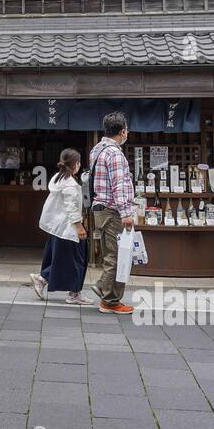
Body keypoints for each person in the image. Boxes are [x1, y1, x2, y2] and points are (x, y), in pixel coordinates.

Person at [87, 111, 137, 315]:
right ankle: (109, 298)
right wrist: (126, 212)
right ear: (123, 131)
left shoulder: (97, 150)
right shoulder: (115, 153)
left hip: (100, 207)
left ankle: (105, 290)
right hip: (112, 209)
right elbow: (119, 185)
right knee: (117, 255)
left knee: (111, 253)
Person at [31, 149, 93, 305]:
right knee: (77, 260)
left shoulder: (58, 179)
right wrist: (79, 227)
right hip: (69, 228)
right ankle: (71, 292)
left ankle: (45, 279)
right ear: (76, 164)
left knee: (65, 260)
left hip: (58, 227)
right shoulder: (70, 184)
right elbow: (72, 208)